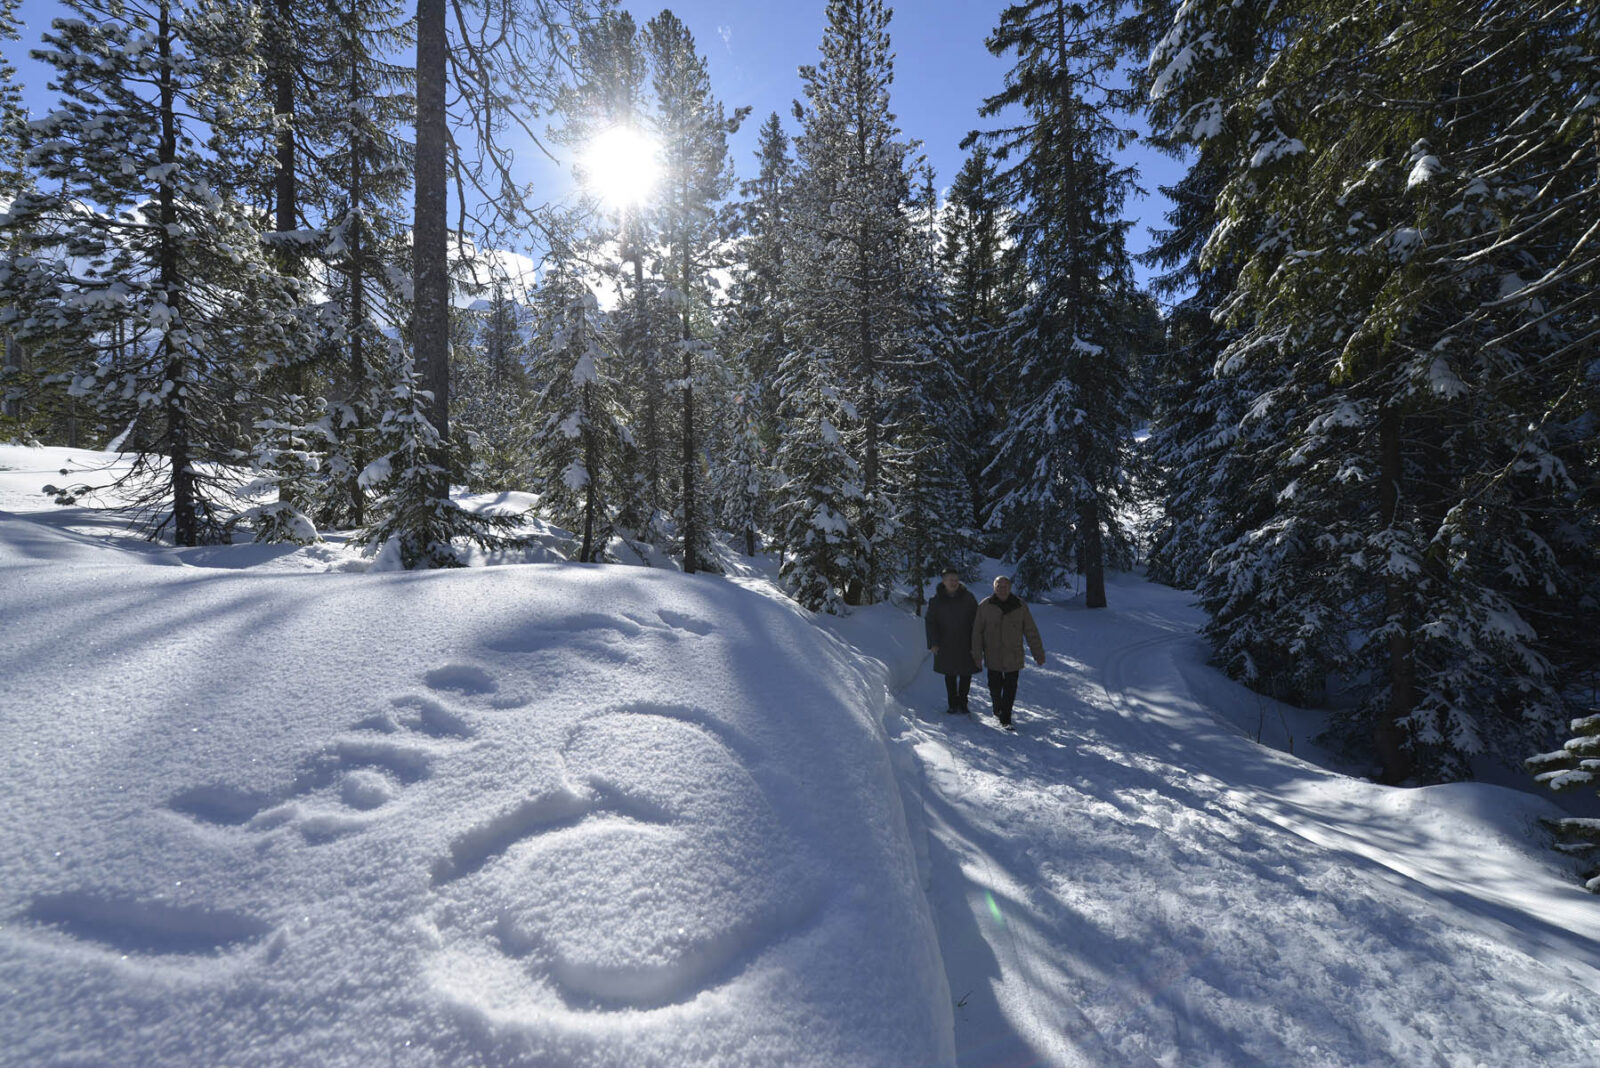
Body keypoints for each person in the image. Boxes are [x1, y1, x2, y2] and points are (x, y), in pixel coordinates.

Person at [970, 575, 1045, 730]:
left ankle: (1006, 718)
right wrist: (977, 655)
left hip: (1013, 655)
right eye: (999, 586)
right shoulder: (985, 606)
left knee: (1010, 687)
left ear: (1010, 588)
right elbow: (977, 632)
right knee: (995, 686)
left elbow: (1031, 631)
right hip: (993, 655)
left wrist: (1038, 654)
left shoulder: (1020, 605)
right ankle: (997, 707)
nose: (1002, 589)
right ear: (994, 588)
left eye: (1005, 586)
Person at [925, 568, 979, 713]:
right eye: (951, 580)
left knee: (966, 673)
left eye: (956, 579)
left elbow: (978, 621)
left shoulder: (968, 598)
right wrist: (933, 643)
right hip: (945, 642)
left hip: (966, 641)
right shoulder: (936, 600)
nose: (954, 582)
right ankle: (952, 703)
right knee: (950, 673)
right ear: (944, 581)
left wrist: (977, 643)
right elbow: (930, 622)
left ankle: (963, 702)